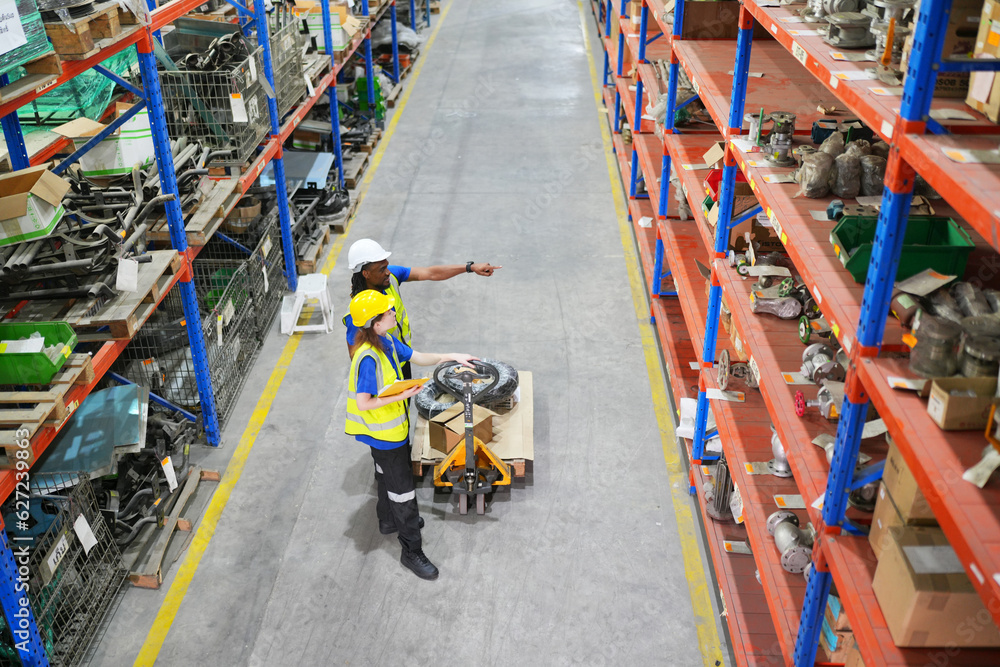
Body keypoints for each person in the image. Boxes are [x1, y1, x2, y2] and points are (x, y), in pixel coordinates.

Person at [345, 289, 476, 580]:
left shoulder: (386, 340)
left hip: (391, 430)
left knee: (384, 476)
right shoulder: (368, 358)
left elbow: (418, 356)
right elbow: (364, 402)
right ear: (376, 323)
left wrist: (452, 356)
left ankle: (387, 520)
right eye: (388, 312)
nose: (394, 313)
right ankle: (411, 549)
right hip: (384, 436)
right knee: (403, 492)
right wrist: (403, 392)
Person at [344, 239, 502, 373]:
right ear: (366, 274)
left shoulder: (390, 278)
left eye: (386, 266)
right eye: (382, 269)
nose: (387, 272)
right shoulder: (358, 313)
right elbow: (356, 359)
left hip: (403, 358)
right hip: (384, 372)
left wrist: (470, 268)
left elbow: (430, 273)